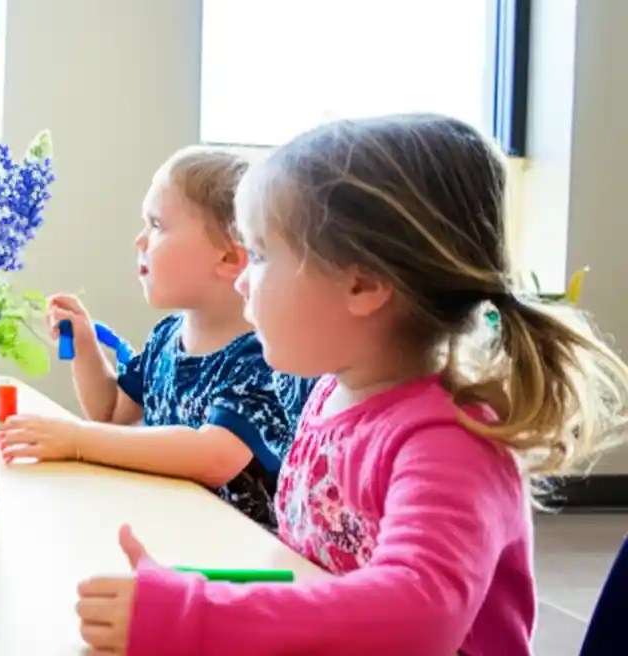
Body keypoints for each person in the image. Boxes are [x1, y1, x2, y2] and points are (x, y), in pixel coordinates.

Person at [75, 114, 628, 655]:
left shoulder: (452, 441)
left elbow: (416, 614)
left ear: (362, 284)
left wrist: (193, 617)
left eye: (263, 255)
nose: (243, 279)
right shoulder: (330, 393)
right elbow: (313, 574)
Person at [0, 148, 311, 528]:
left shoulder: (261, 357)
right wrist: (85, 346)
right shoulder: (168, 336)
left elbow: (212, 456)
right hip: (170, 527)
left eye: (157, 225)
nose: (139, 241)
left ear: (229, 259)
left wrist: (79, 440)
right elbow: (111, 413)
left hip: (239, 556)